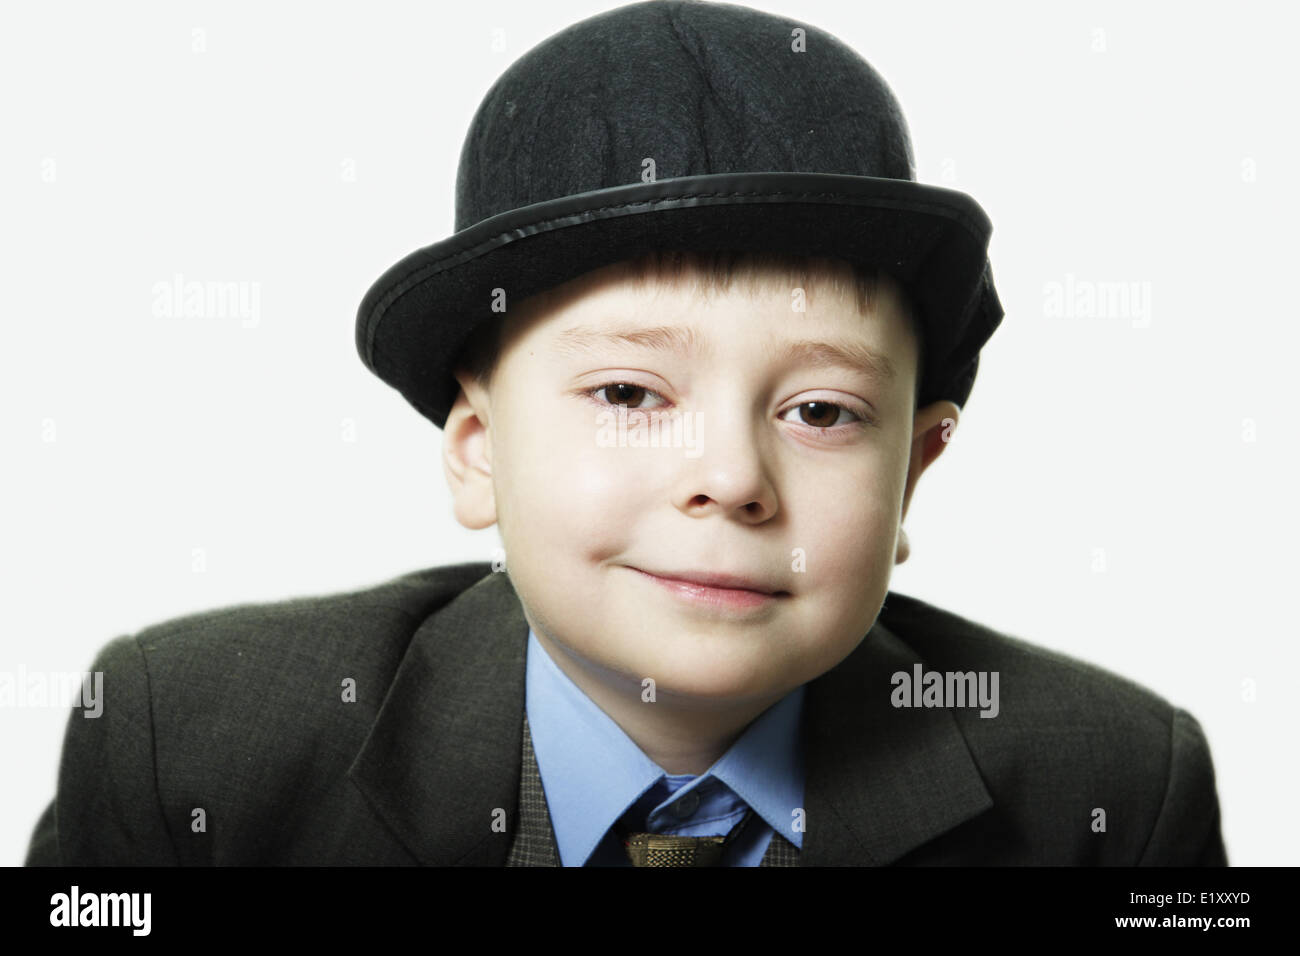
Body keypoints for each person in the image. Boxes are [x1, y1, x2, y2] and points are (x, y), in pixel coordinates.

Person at [25, 0, 1226, 866]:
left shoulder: (1110, 788)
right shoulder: (188, 748)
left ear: (912, 472)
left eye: (820, 411)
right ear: (478, 447)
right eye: (628, 394)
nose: (727, 478)